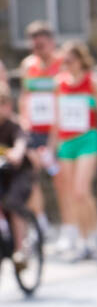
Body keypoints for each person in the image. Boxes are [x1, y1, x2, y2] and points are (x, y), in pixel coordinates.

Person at [49, 40, 97, 261]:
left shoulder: (93, 81)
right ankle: (84, 240)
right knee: (70, 194)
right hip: (66, 142)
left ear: (80, 59)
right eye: (64, 60)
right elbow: (57, 119)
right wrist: (51, 147)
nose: (67, 64)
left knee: (81, 191)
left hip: (88, 138)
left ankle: (94, 236)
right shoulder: (59, 83)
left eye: (71, 59)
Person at [18, 20, 65, 246]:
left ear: (52, 43)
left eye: (42, 45)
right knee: (31, 179)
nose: (38, 50)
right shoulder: (28, 65)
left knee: (61, 180)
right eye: (35, 46)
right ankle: (41, 224)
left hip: (58, 132)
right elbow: (25, 96)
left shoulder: (63, 63)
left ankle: (69, 228)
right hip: (34, 131)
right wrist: (24, 122)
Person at [0, 83, 36, 268]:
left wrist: (16, 152)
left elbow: (21, 141)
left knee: (13, 203)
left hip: (19, 175)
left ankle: (20, 250)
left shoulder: (15, 126)